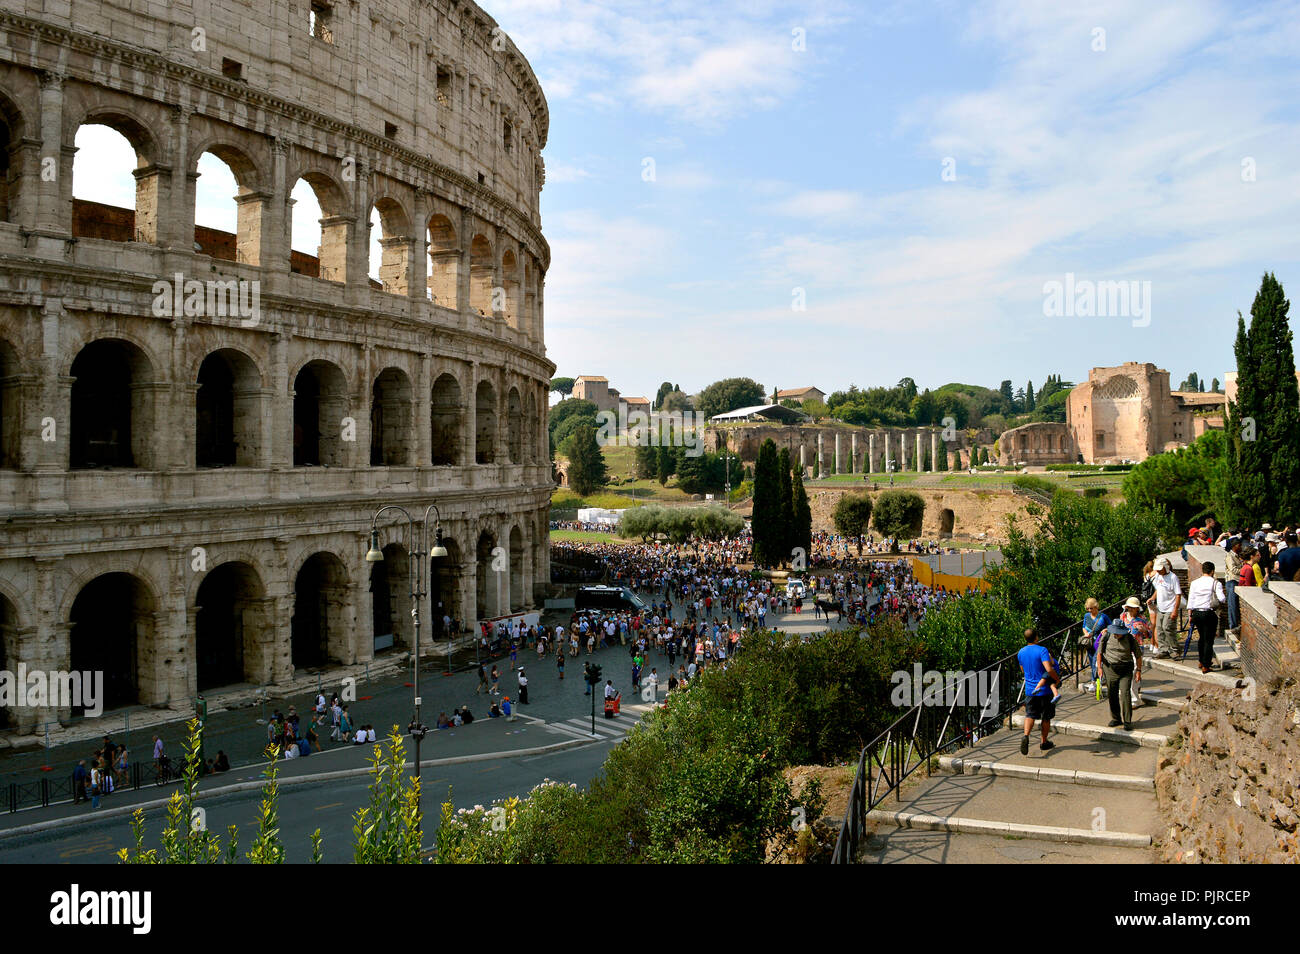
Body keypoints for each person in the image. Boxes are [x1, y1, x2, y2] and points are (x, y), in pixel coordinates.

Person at [1017, 627, 1058, 755]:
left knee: (1030, 715)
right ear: (1036, 638)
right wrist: (1057, 679)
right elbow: (1049, 669)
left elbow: (1022, 670)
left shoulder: (1021, 652)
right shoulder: (1042, 650)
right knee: (1046, 717)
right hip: (1044, 690)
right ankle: (1044, 742)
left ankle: (1026, 736)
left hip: (1030, 690)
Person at [1098, 619, 1143, 730]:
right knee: (1112, 694)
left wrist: (1138, 671)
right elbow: (1099, 652)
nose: (1117, 634)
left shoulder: (1130, 638)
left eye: (1119, 632)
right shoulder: (1107, 636)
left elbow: (1138, 656)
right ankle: (1116, 718)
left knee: (1125, 694)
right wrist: (1099, 668)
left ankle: (1127, 721)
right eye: (1115, 632)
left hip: (1126, 669)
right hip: (1110, 669)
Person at [1187, 562, 1226, 673]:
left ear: (1202, 570)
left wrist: (1190, 615)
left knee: (1201, 637)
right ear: (1212, 571)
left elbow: (1191, 600)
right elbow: (1222, 598)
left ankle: (1201, 660)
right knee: (1209, 639)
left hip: (1197, 613)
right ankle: (1206, 664)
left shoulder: (1195, 583)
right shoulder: (1215, 583)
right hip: (1209, 613)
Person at [1146, 557, 1182, 658]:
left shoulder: (1173, 577)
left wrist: (1175, 609)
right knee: (1159, 629)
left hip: (1170, 608)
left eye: (1160, 569)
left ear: (1165, 567)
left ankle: (1175, 649)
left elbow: (1178, 594)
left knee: (1167, 628)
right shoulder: (1159, 576)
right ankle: (1163, 649)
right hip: (1160, 608)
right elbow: (1158, 589)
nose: (1158, 571)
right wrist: (1152, 598)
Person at [1080, 597, 1110, 692]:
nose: (1089, 610)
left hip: (1099, 641)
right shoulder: (1086, 616)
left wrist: (1105, 630)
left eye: (1091, 608)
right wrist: (1085, 634)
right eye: (1088, 608)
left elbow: (1111, 625)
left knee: (1095, 661)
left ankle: (1094, 681)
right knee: (1092, 660)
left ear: (1096, 607)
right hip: (1089, 642)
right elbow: (1084, 626)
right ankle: (1098, 679)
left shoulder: (1103, 616)